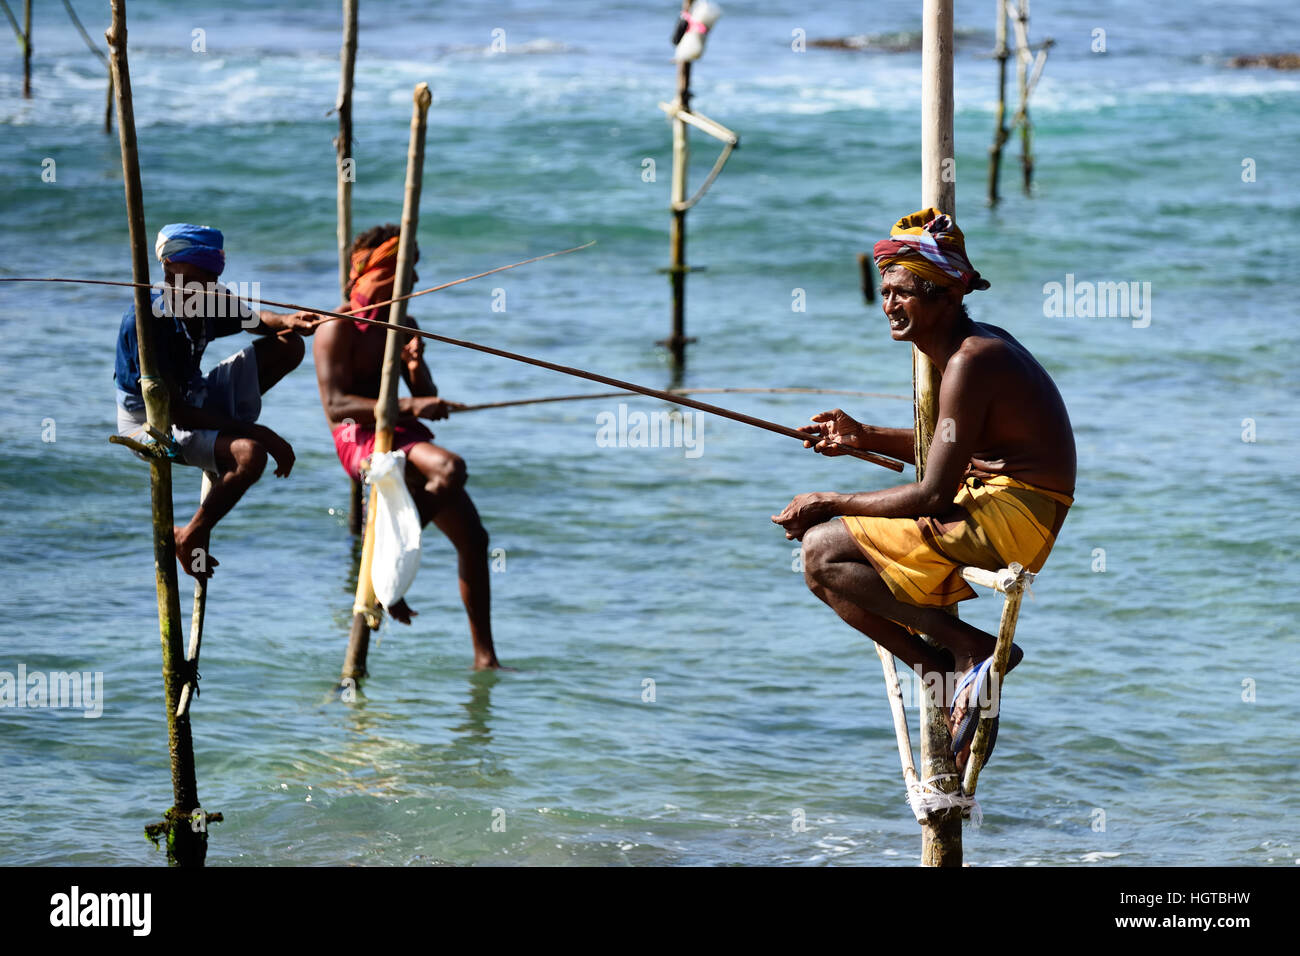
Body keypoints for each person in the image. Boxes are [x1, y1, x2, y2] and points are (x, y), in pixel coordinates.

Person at [771, 208, 1076, 772]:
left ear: (947, 297)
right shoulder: (965, 350)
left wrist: (831, 499)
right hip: (1005, 501)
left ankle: (971, 650)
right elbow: (950, 444)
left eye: (905, 292)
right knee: (820, 561)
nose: (889, 304)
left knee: (821, 546)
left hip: (1017, 515)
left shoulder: (970, 360)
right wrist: (862, 436)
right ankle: (934, 663)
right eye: (885, 291)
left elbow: (935, 492)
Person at [313, 224, 500, 670]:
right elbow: (338, 405)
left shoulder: (404, 324)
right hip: (359, 437)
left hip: (400, 429)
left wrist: (415, 368)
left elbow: (423, 391)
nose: (415, 281)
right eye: (407, 270)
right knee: (450, 469)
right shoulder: (334, 328)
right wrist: (412, 402)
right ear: (381, 273)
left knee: (475, 540)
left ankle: (485, 658)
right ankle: (391, 566)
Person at [114, 223, 318, 579]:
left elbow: (253, 320)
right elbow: (176, 414)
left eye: (213, 278)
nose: (209, 287)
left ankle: (223, 442)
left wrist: (288, 319)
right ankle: (191, 533)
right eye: (201, 279)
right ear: (170, 270)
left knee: (289, 343)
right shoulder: (148, 323)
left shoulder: (205, 296)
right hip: (154, 423)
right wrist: (262, 433)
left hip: (196, 397)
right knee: (250, 453)